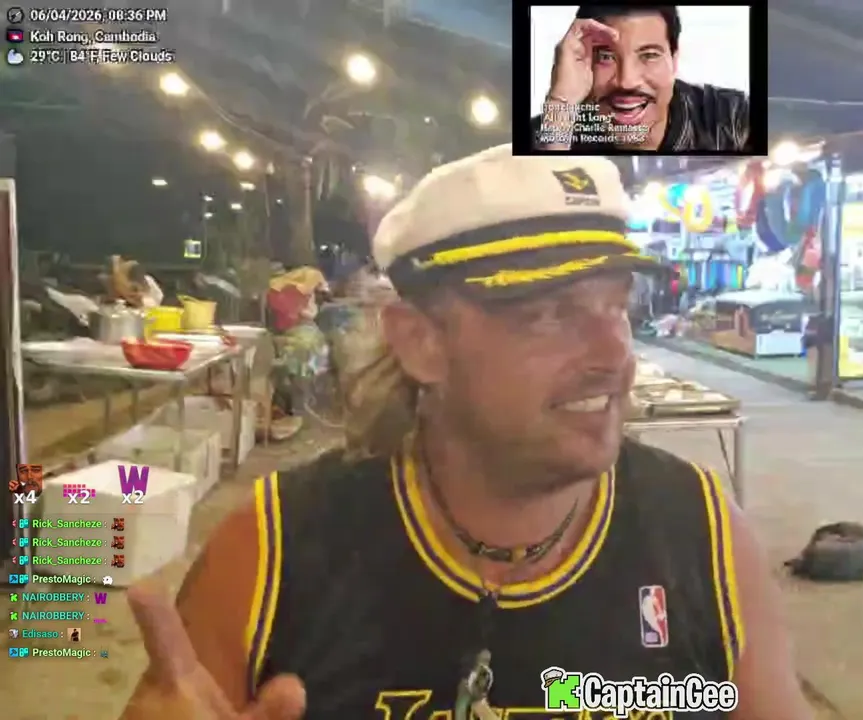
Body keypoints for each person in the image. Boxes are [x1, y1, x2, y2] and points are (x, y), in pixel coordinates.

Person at [119, 146, 810, 720]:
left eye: (617, 307)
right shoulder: (275, 551)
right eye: (549, 314)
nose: (614, 355)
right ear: (421, 342)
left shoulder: (703, 535)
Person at [533, 6, 750, 153]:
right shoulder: (548, 129)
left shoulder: (732, 118)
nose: (626, 81)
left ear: (674, 60)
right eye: (605, 57)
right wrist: (560, 103)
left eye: (649, 55)